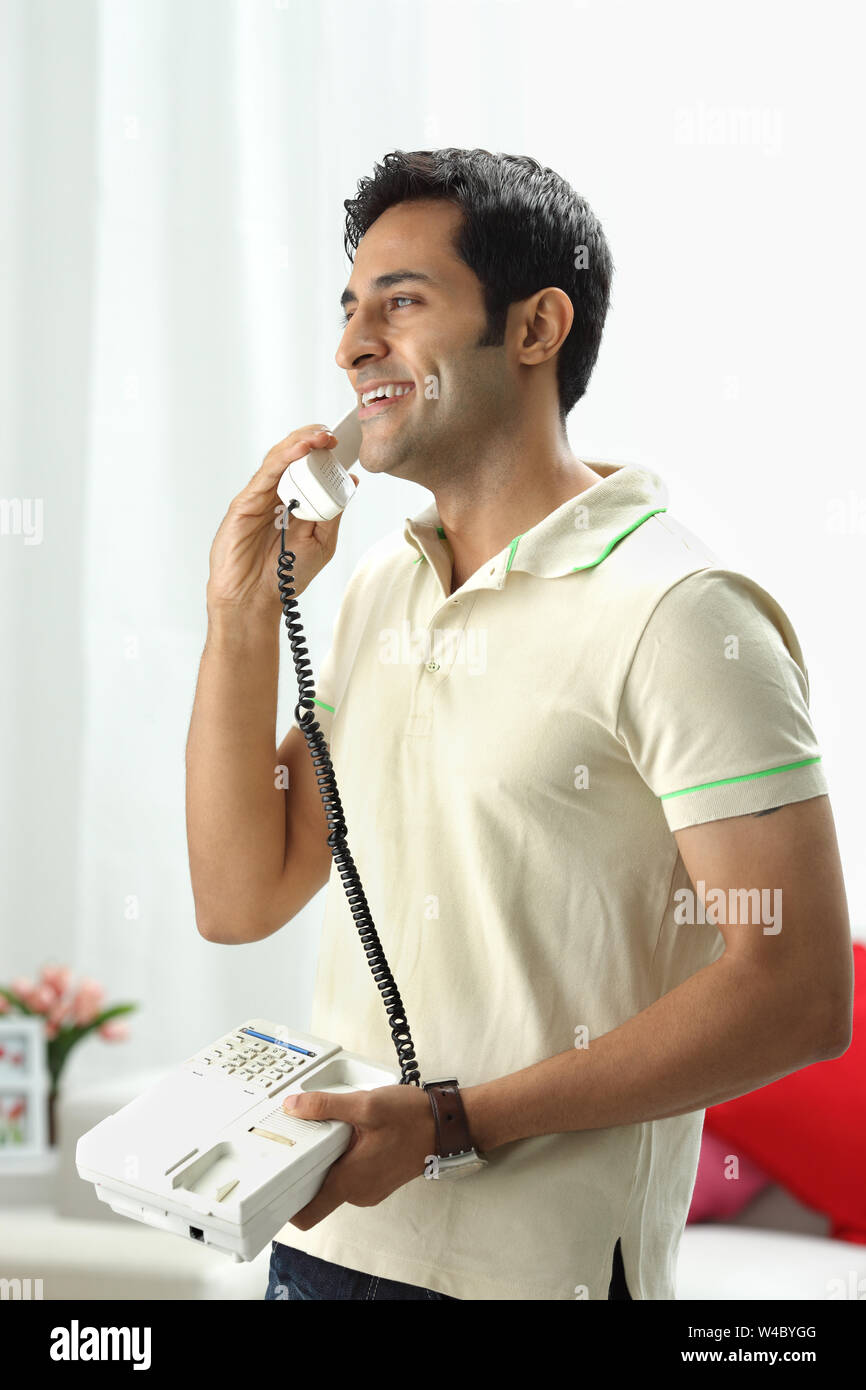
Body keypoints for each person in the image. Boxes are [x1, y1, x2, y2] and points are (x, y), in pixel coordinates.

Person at [186, 148, 853, 1301]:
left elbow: (798, 992)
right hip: (324, 1239)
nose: (352, 345)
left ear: (536, 326)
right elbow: (239, 898)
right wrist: (242, 619)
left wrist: (454, 1120)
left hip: (532, 1280)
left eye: (402, 302)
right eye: (349, 310)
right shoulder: (383, 592)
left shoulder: (680, 613)